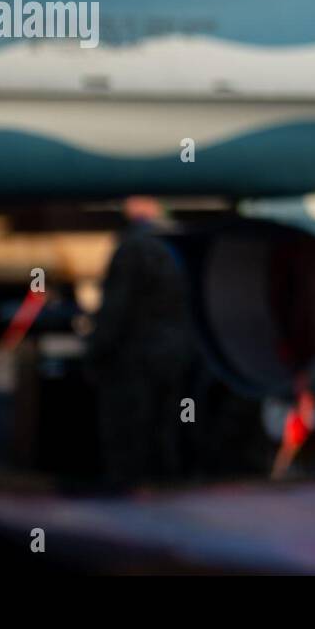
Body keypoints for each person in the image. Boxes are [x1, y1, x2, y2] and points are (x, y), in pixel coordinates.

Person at [88, 196, 196, 487]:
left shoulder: (133, 246)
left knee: (128, 435)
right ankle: (168, 494)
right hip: (177, 351)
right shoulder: (181, 239)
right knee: (167, 431)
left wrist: (98, 350)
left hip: (136, 355)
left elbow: (116, 309)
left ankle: (130, 498)